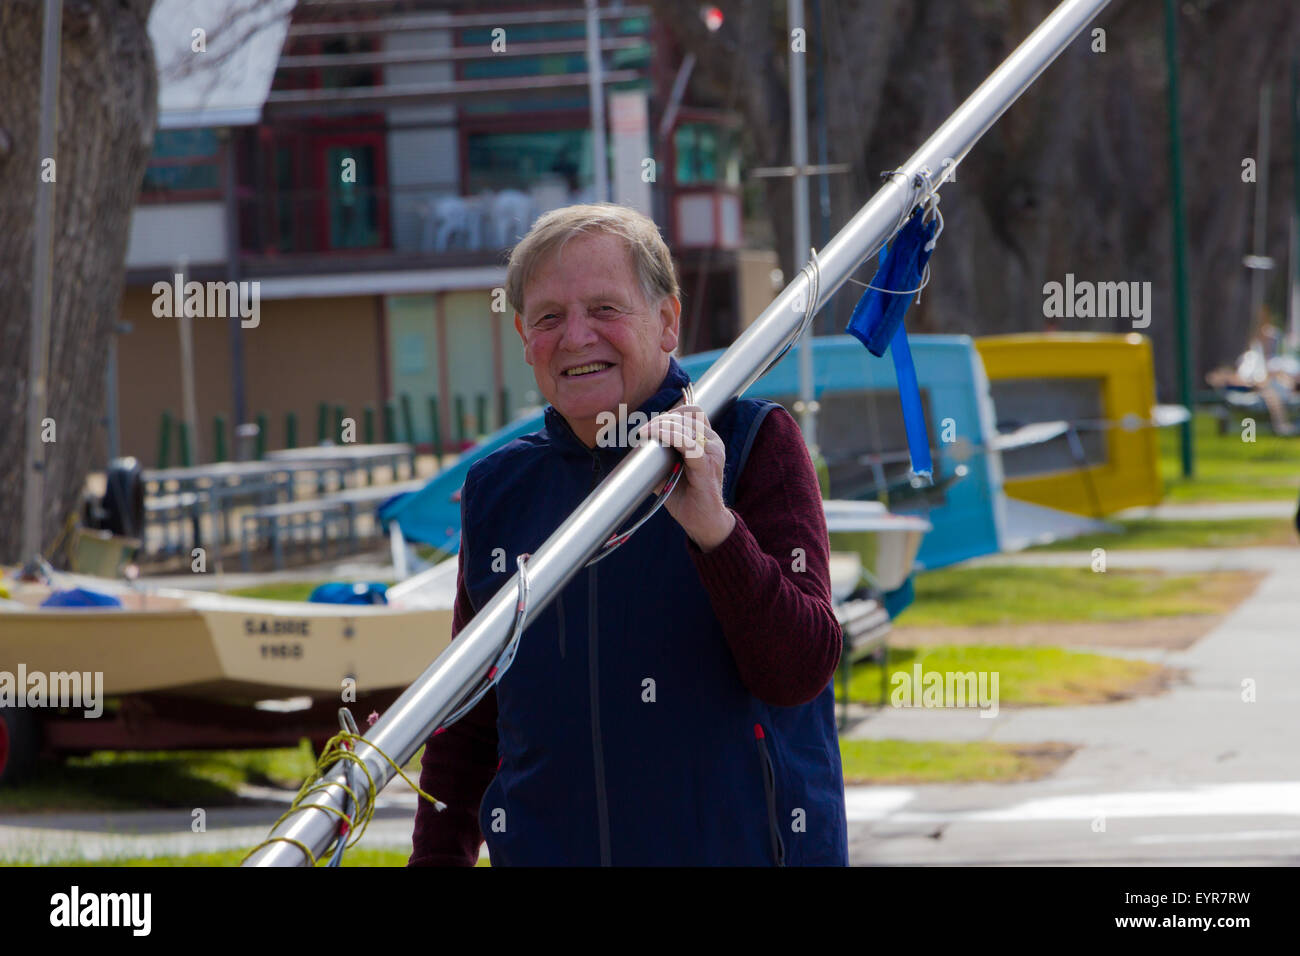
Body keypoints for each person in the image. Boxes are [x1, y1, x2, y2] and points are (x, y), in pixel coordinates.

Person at [408, 203, 848, 866]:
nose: (576, 336)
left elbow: (798, 670)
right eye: (549, 317)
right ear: (525, 337)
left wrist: (714, 530)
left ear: (668, 321)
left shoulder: (753, 444)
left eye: (605, 309)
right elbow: (469, 719)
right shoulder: (500, 488)